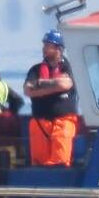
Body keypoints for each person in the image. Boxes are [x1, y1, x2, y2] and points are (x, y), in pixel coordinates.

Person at [24, 30, 78, 166]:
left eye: (48, 45)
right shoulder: (35, 70)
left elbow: (66, 84)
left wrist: (41, 85)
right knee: (38, 162)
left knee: (60, 161)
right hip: (40, 123)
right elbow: (28, 90)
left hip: (63, 122)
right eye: (44, 45)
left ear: (58, 49)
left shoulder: (69, 67)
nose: (44, 48)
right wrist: (55, 86)